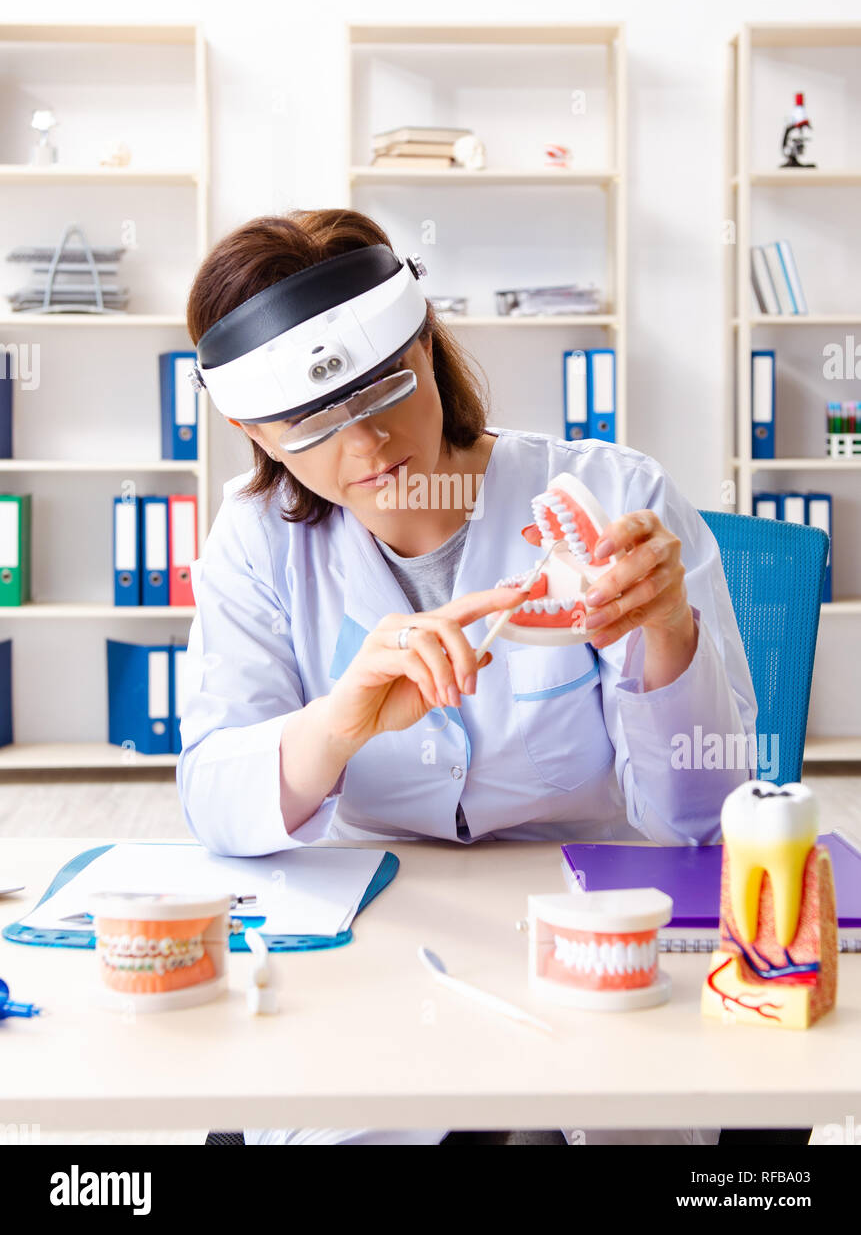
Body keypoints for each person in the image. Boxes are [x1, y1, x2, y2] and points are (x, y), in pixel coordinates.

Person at [177, 207, 757, 1146]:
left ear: (427, 341)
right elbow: (211, 796)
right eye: (312, 426)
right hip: (370, 928)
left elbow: (699, 823)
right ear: (253, 430)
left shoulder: (616, 500)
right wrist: (339, 724)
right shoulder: (253, 545)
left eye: (384, 390)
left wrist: (665, 636)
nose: (365, 448)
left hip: (589, 920)